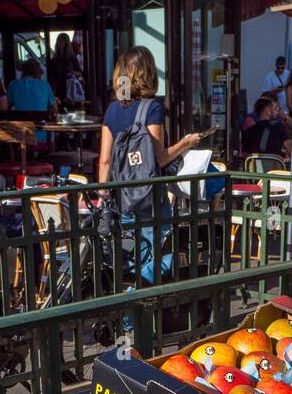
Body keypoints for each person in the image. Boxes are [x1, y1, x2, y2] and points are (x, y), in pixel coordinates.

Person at [98, 46, 200, 285]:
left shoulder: (112, 110)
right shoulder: (152, 108)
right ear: (146, 73)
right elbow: (159, 158)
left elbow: (105, 160)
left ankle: (129, 314)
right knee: (160, 258)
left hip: (120, 198)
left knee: (129, 260)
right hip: (149, 198)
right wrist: (186, 143)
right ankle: (134, 314)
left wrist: (103, 196)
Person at [47, 35, 76, 107]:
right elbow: (51, 78)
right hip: (58, 89)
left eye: (62, 41)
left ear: (66, 43)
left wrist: (71, 73)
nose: (60, 43)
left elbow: (79, 73)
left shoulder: (71, 58)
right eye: (59, 41)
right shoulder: (54, 59)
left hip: (69, 89)